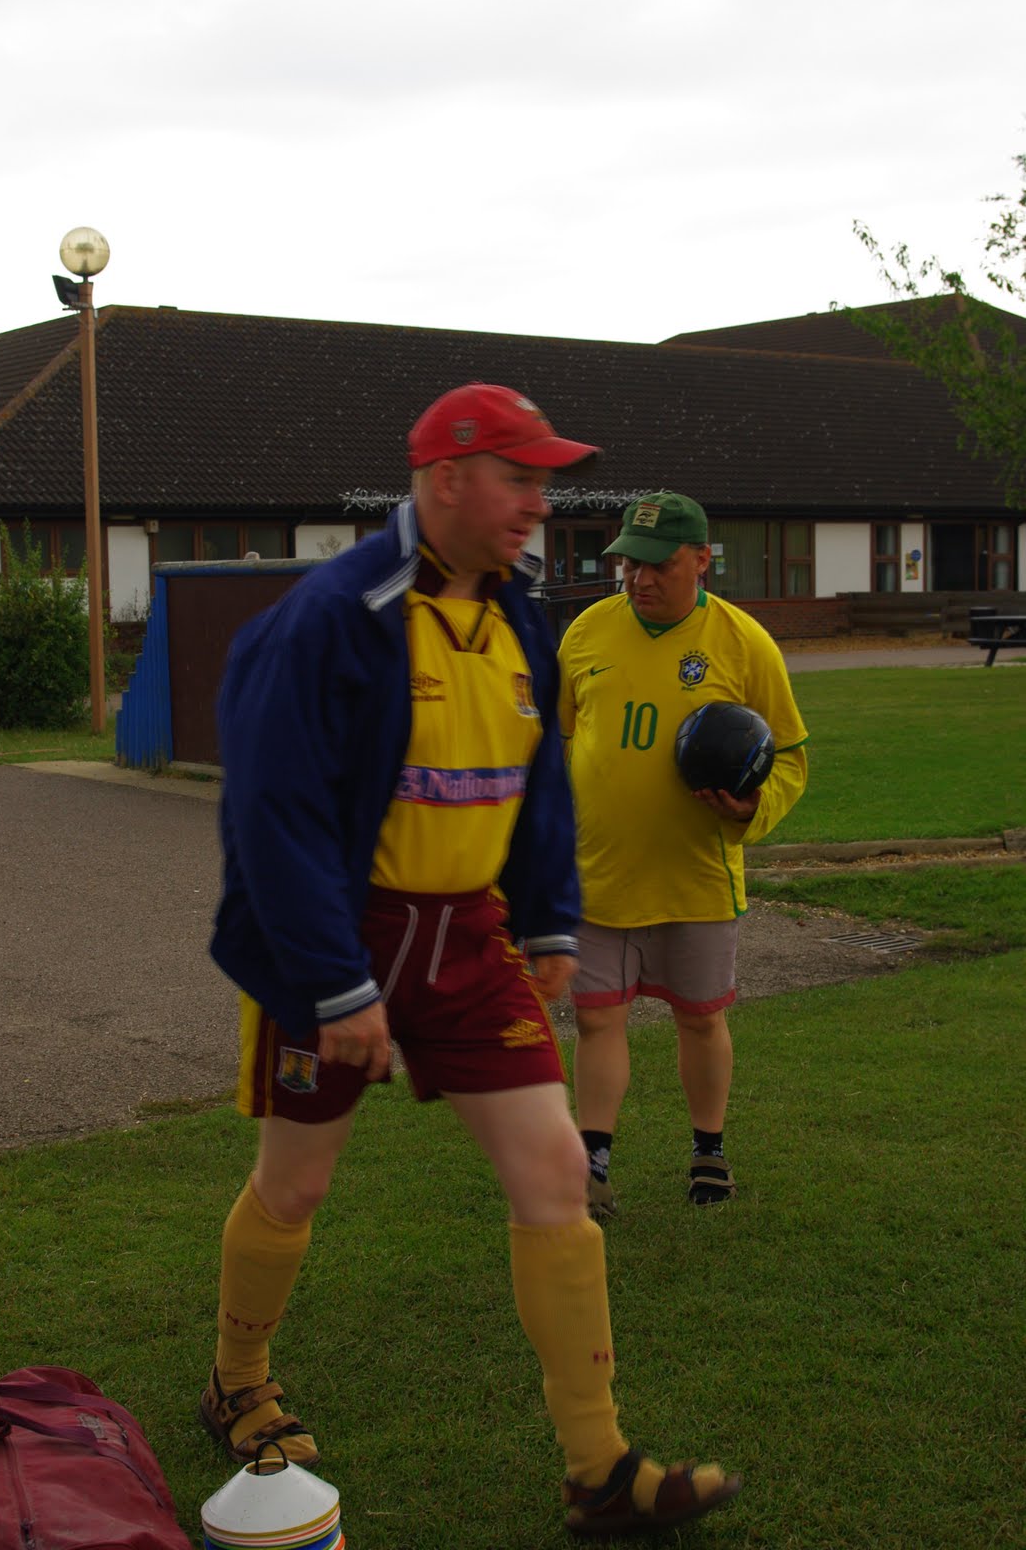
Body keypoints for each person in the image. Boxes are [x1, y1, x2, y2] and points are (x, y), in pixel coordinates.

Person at [202, 390, 742, 1538]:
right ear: (447, 479)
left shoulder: (519, 616)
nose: (539, 504)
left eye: (545, 481)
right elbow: (271, 816)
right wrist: (335, 982)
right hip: (339, 939)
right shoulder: (332, 616)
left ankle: (599, 1467)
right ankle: (236, 1379)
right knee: (296, 1185)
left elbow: (541, 780)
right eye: (519, 478)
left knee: (556, 1172)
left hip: (471, 939)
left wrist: (549, 922)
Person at [558, 491, 808, 1218]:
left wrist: (752, 808)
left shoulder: (743, 642)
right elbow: (558, 741)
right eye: (627, 564)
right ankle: (592, 1164)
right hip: (598, 871)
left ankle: (708, 1150)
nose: (638, 579)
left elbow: (791, 758)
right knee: (597, 1019)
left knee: (699, 1018)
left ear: (701, 560)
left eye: (657, 565)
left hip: (694, 875)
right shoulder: (585, 632)